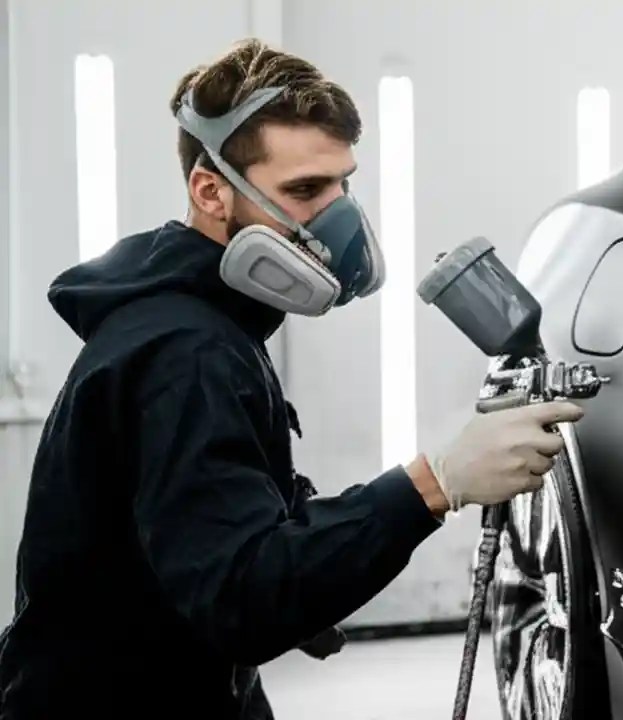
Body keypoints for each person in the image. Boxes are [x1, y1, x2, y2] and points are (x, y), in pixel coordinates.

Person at [0, 38, 583, 718]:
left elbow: (228, 515)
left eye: (344, 184)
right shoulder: (186, 353)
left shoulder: (202, 321)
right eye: (305, 190)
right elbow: (242, 597)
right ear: (211, 191)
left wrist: (320, 565)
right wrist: (436, 482)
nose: (339, 221)